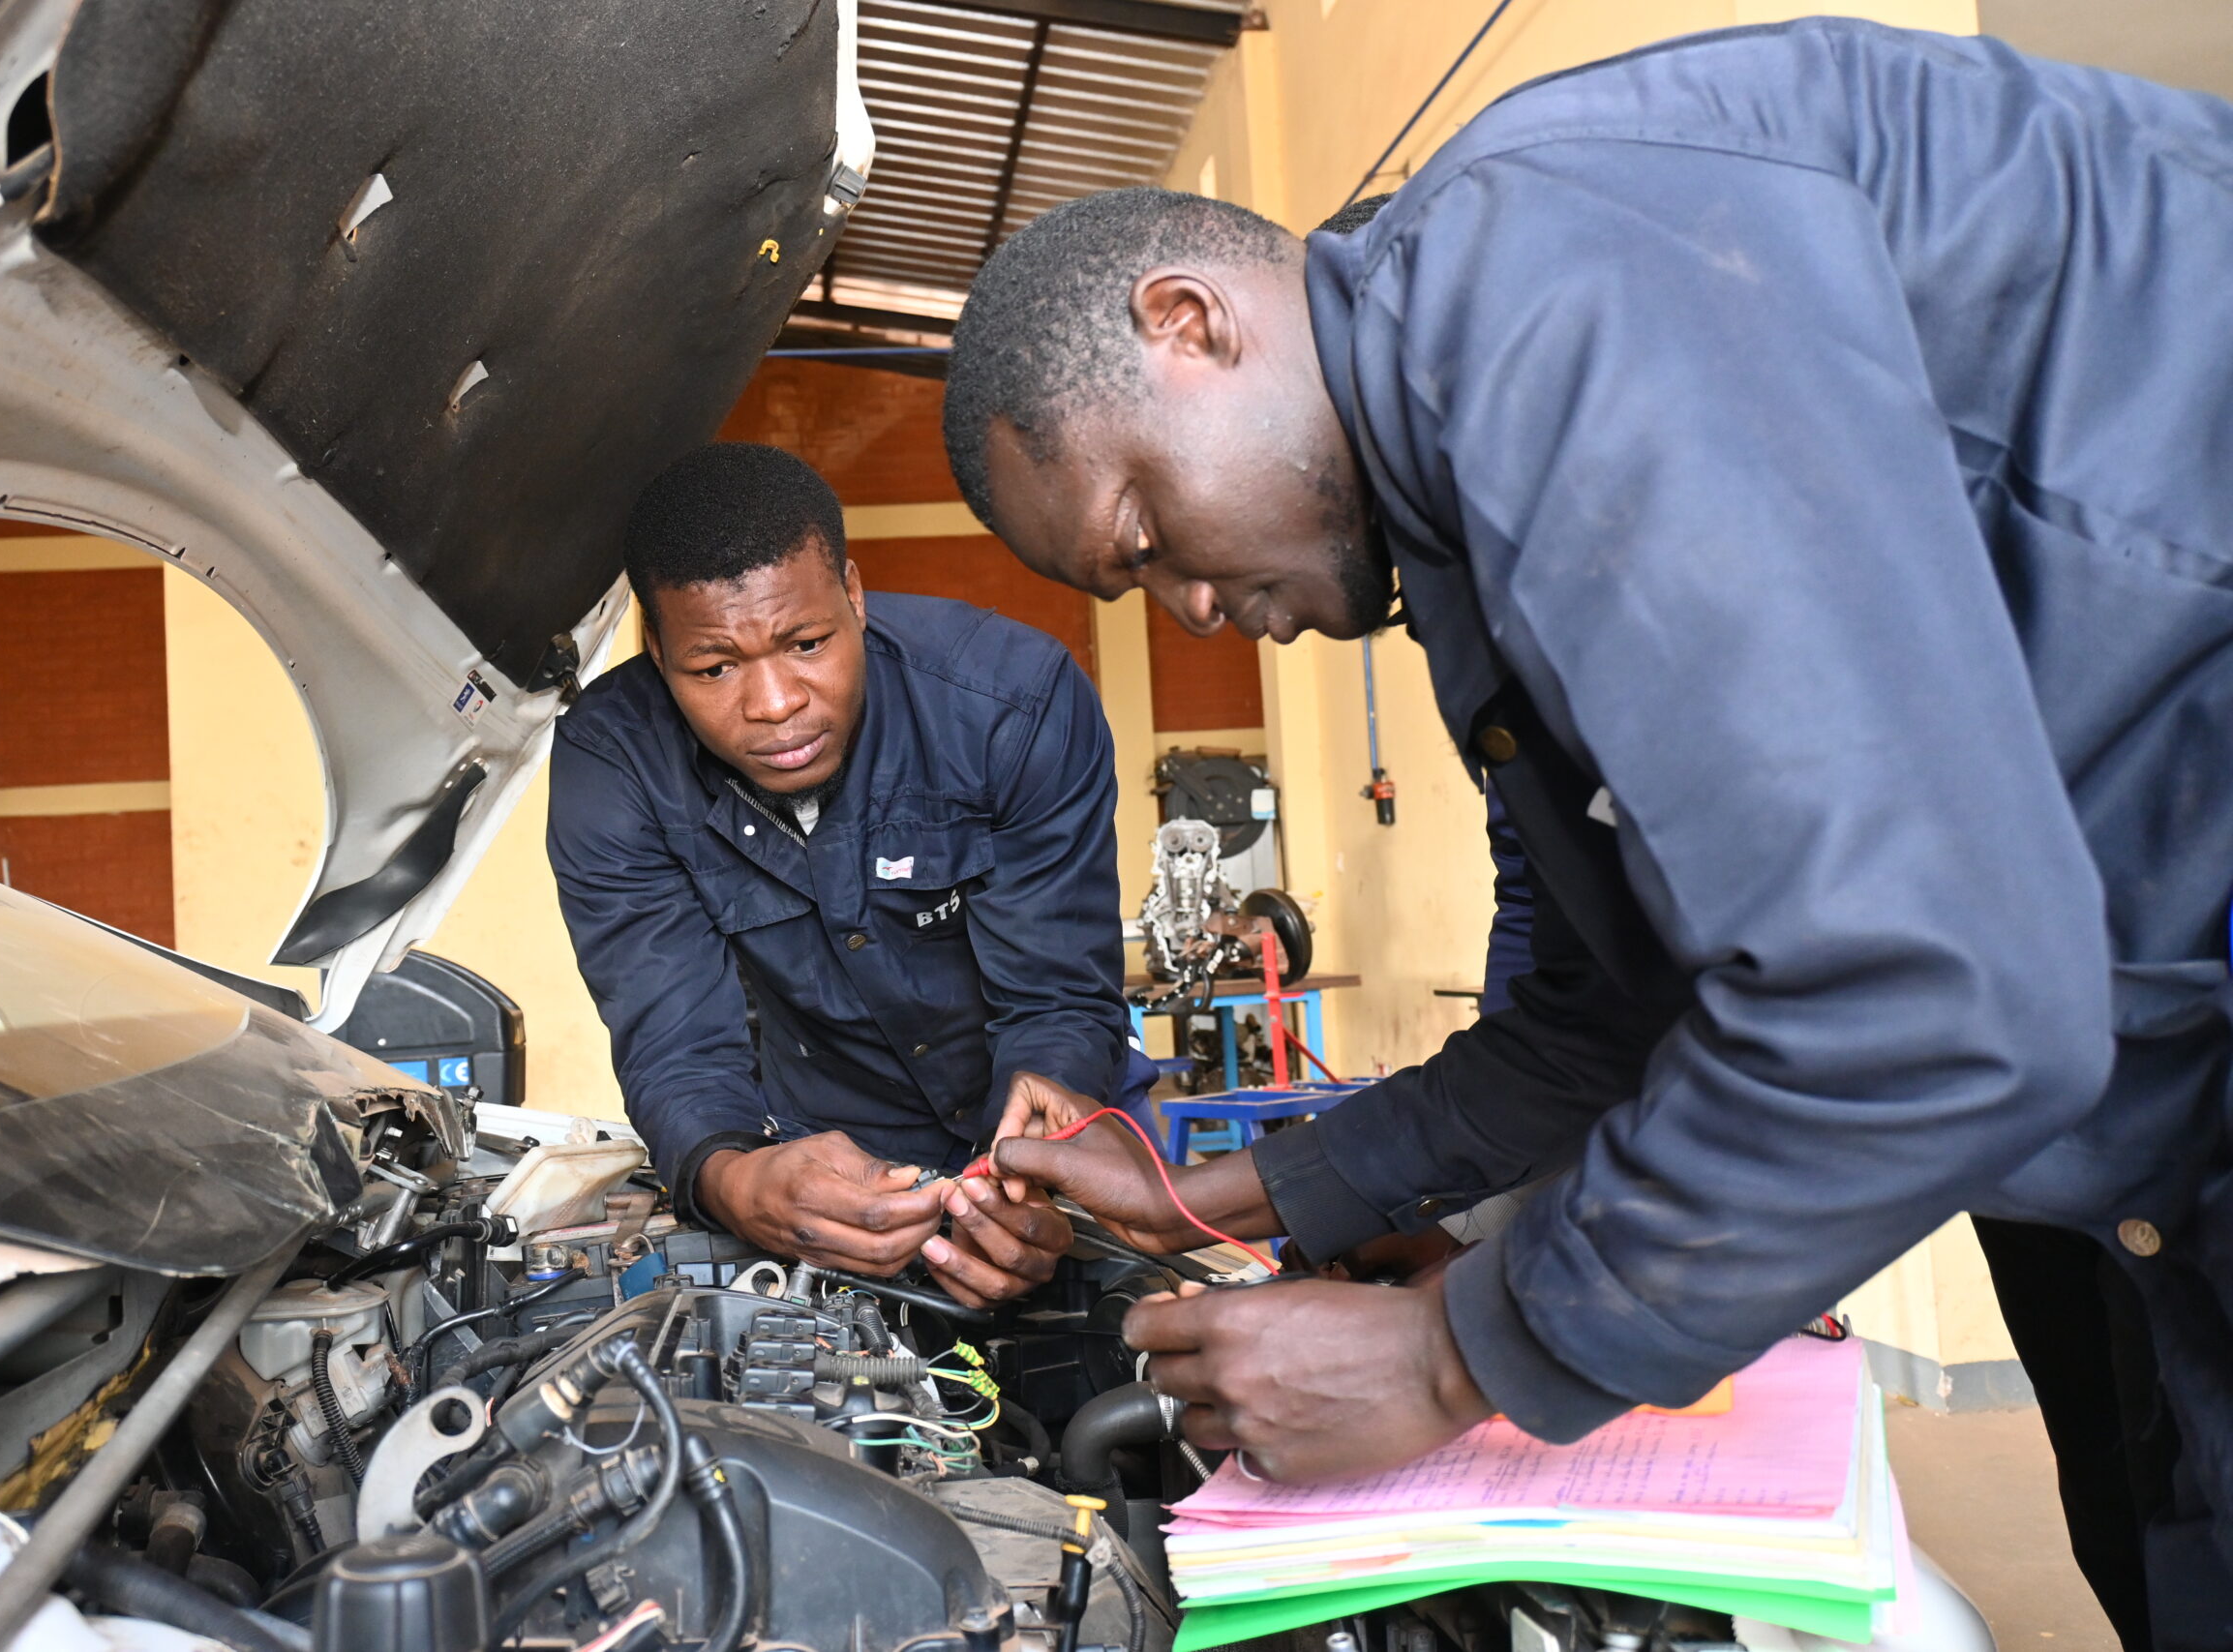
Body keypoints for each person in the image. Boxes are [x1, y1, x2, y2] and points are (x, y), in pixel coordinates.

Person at [940, 21, 2233, 1645]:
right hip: (2139, 1098)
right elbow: (1609, 1013)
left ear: (1188, 325)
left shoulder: (1548, 286)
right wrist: (1237, 1191)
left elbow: (1932, 992)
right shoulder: (1469, 521)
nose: (1196, 604)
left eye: (1144, 532)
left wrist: (1447, 1358)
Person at [548, 441, 1146, 1308]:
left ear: (855, 597)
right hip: (827, 1181)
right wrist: (735, 1180)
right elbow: (675, 1035)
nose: (774, 702)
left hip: (1059, 1130)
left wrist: (1029, 1172)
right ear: (657, 645)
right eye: (714, 666)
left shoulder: (1013, 706)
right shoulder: (616, 761)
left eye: (807, 642)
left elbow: (1058, 997)